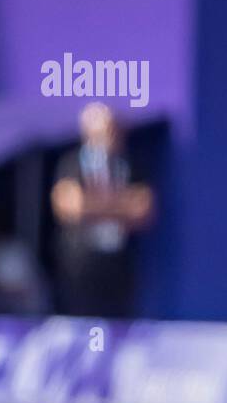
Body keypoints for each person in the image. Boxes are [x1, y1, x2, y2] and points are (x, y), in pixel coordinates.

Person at [51, 103, 153, 318]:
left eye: (115, 131)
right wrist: (122, 205)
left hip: (119, 266)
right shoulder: (70, 163)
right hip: (80, 267)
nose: (112, 137)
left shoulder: (130, 165)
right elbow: (70, 207)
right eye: (106, 131)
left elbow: (144, 209)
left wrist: (93, 205)